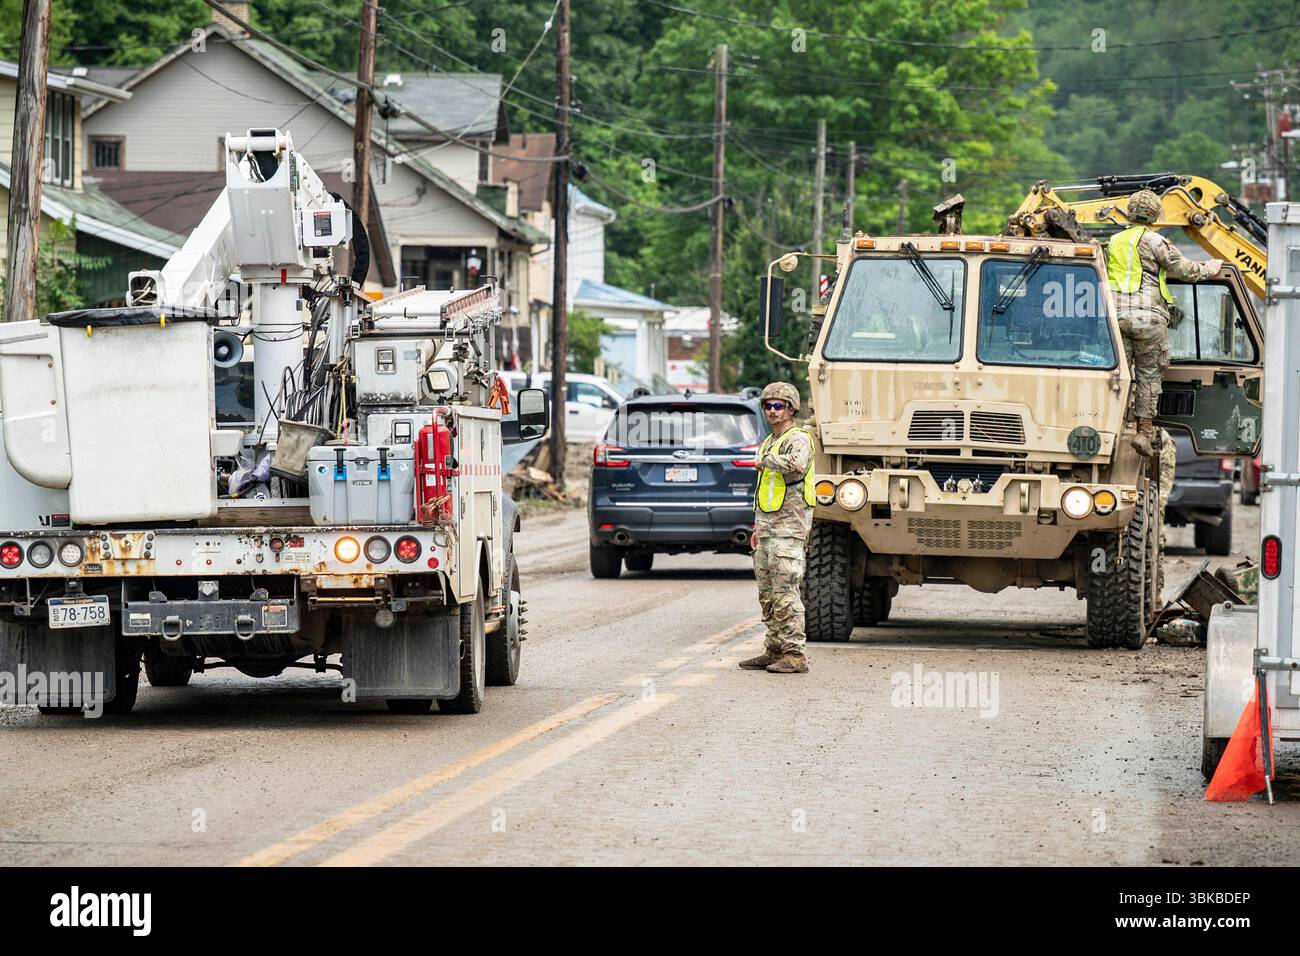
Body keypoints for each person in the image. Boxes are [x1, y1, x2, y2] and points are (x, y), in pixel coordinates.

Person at [1107, 189, 1222, 457]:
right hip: (1148, 317)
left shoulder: (1113, 241)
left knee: (1117, 376)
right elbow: (1183, 270)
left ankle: (1111, 424)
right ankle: (1143, 434)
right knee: (1149, 374)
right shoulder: (1155, 240)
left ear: (1129, 211)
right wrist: (1210, 269)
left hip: (1114, 319)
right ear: (1155, 215)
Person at [740, 382, 815, 675]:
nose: (772, 411)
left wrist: (765, 460)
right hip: (768, 530)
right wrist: (757, 527)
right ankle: (773, 650)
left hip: (789, 530)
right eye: (767, 406)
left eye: (778, 406)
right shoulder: (768, 441)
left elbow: (796, 465)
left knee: (786, 594)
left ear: (791, 408)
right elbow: (763, 491)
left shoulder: (798, 439)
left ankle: (795, 655)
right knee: (768, 595)